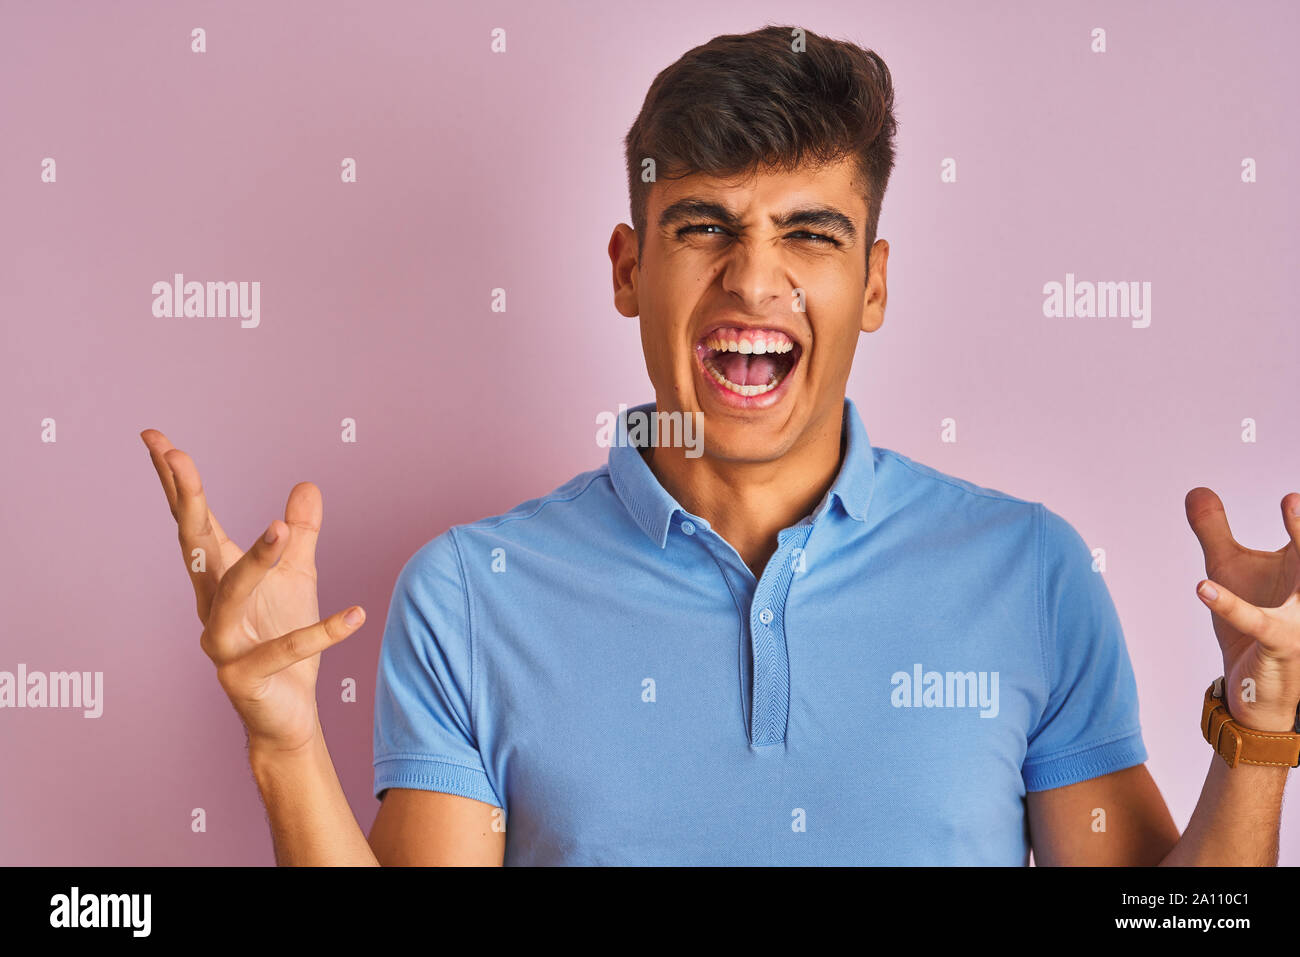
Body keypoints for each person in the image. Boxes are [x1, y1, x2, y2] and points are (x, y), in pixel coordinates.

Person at [141, 24, 1300, 865]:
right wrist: (284, 742)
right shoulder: (467, 593)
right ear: (628, 269)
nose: (754, 278)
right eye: (704, 228)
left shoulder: (1030, 571)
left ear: (873, 283)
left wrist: (1259, 724)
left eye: (809, 233)